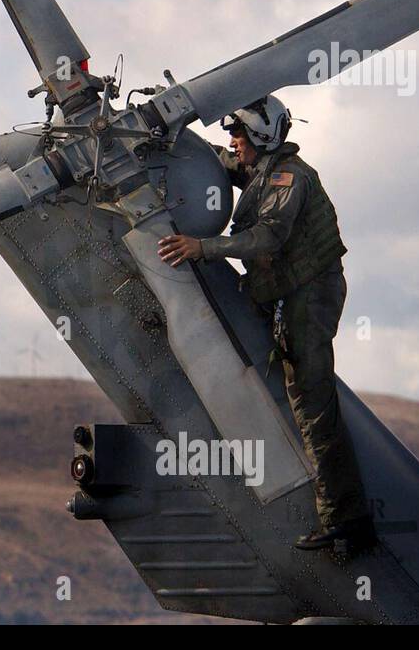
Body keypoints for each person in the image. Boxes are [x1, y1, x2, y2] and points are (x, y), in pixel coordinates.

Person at [156, 96, 375, 551]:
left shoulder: (288, 178)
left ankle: (345, 518)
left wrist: (204, 247)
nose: (233, 144)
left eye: (238, 136)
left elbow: (268, 236)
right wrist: (164, 138)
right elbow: (218, 164)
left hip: (308, 298)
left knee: (312, 405)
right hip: (288, 294)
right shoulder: (262, 170)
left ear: (260, 138)